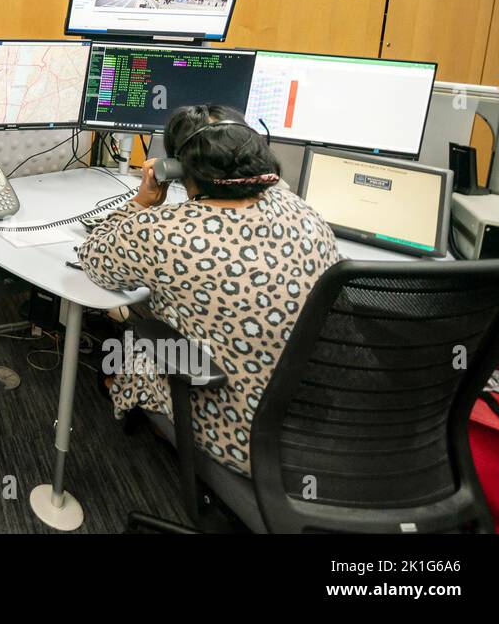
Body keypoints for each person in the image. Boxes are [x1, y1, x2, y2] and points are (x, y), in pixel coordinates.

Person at [77, 104, 341, 477]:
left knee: (127, 345)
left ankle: (134, 398)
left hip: (237, 428)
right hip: (316, 412)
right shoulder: (300, 209)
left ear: (177, 168)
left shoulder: (164, 229)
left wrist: (143, 202)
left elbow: (95, 260)